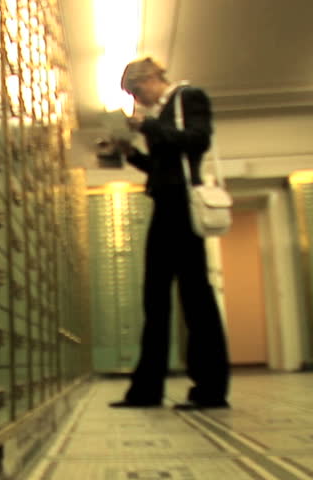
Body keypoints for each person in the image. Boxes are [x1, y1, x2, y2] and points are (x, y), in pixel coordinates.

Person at [108, 57, 231, 410]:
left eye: (136, 90)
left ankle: (210, 389)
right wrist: (131, 153)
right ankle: (146, 390)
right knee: (156, 299)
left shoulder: (188, 97)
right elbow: (162, 168)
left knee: (195, 298)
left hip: (182, 205)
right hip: (166, 204)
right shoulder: (162, 115)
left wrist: (147, 127)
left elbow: (198, 140)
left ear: (151, 77)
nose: (137, 98)